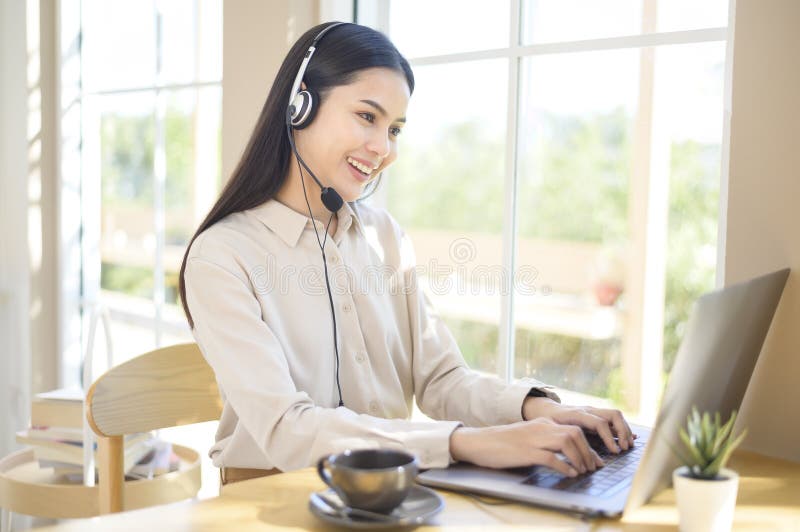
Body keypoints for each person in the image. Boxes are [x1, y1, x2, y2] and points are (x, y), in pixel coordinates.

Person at [178, 22, 634, 485]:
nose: (382, 149)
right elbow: (285, 428)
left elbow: (441, 380)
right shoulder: (222, 256)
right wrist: (464, 443)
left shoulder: (383, 236)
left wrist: (541, 410)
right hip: (272, 497)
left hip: (392, 491)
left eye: (394, 129)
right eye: (366, 116)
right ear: (300, 106)